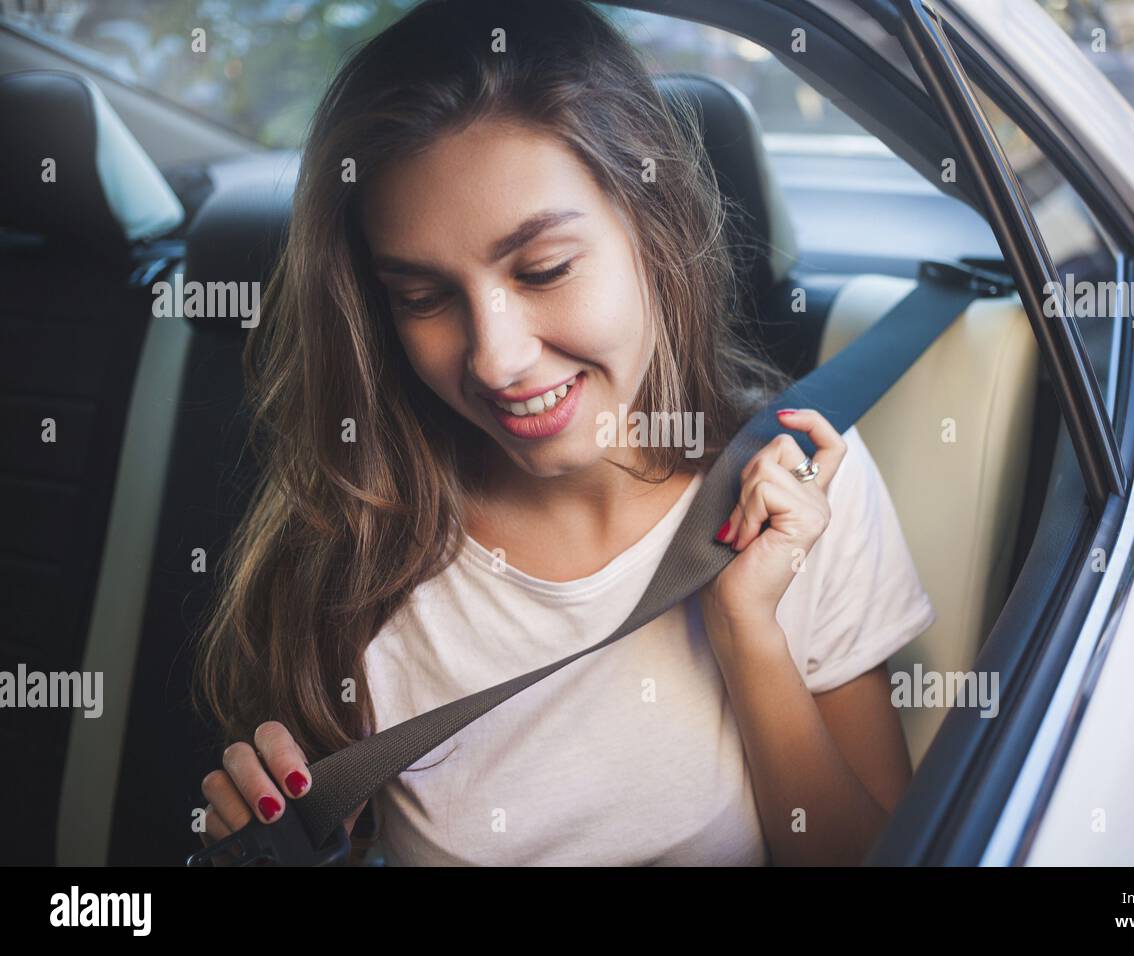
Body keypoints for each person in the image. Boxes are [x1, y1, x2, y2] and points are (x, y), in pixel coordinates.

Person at [193, 0, 935, 866]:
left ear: (655, 233)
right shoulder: (354, 543)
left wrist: (747, 634)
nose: (498, 358)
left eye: (543, 269)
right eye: (423, 298)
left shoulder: (804, 494)